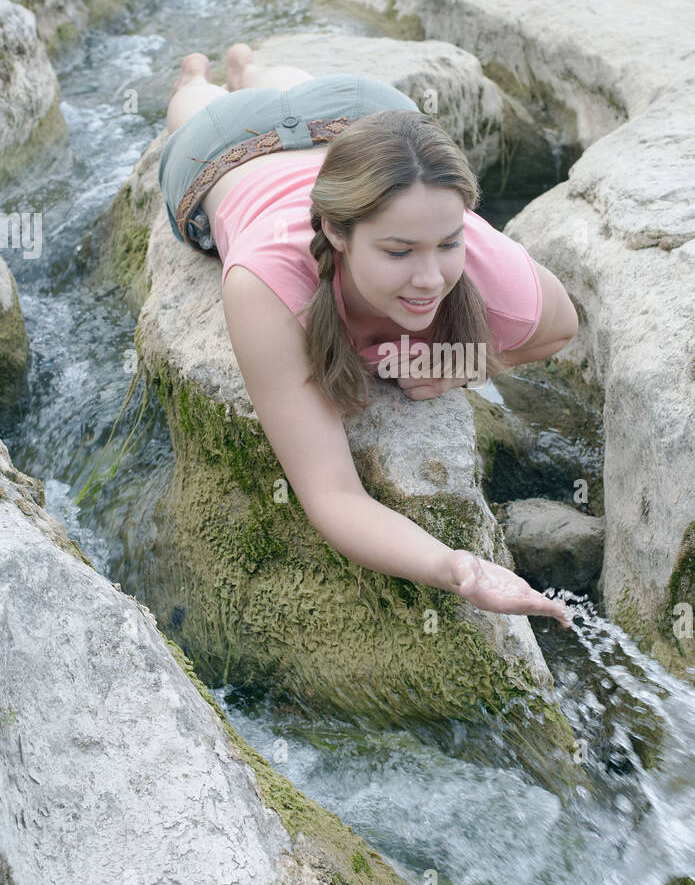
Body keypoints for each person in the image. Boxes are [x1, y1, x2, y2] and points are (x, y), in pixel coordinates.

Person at [158, 46, 581, 624]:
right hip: (226, 147)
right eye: (398, 251)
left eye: (447, 243)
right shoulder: (267, 282)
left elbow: (561, 328)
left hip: (362, 117)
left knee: (286, 82)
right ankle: (204, 75)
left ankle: (250, 68)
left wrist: (458, 366)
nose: (431, 277)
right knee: (194, 104)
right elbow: (332, 494)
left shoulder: (471, 250)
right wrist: (456, 568)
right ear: (335, 230)